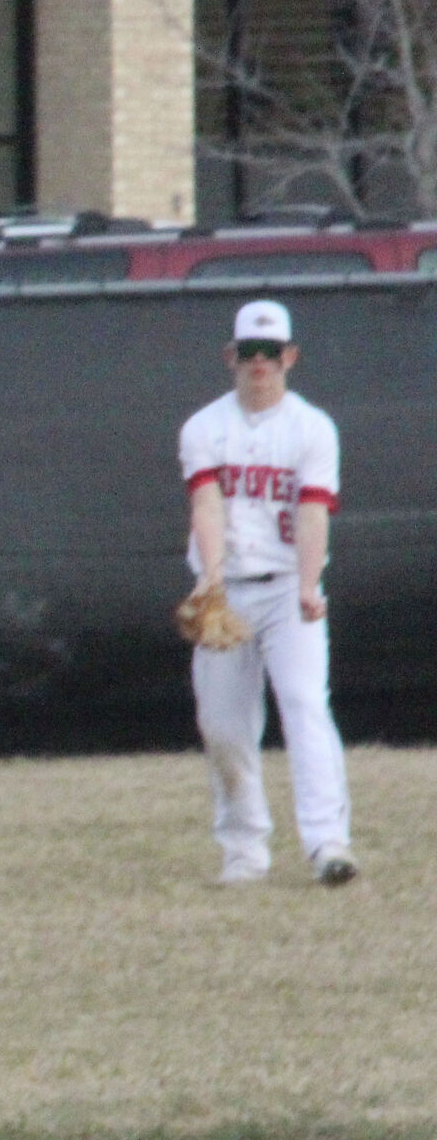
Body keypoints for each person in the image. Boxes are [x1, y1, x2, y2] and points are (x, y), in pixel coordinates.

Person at [179, 298, 357, 886]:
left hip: (285, 587)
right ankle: (244, 852)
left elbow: (313, 514)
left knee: (305, 705)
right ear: (231, 357)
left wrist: (308, 585)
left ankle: (328, 843)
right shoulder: (204, 427)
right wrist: (210, 577)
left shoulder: (312, 428)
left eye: (272, 352)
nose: (261, 363)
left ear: (291, 357)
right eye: (250, 352)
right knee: (224, 726)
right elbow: (207, 505)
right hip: (226, 587)